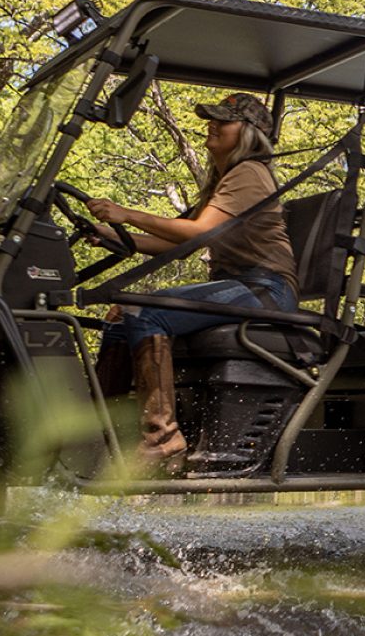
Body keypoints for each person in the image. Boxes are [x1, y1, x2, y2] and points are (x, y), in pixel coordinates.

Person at [85, 93, 299, 472]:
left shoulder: (250, 172)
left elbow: (197, 231)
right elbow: (178, 243)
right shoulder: (224, 180)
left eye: (223, 121)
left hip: (265, 290)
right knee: (120, 319)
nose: (211, 125)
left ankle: (163, 438)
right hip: (241, 287)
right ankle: (99, 437)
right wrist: (116, 236)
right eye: (211, 119)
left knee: (147, 312)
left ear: (249, 134)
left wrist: (127, 214)